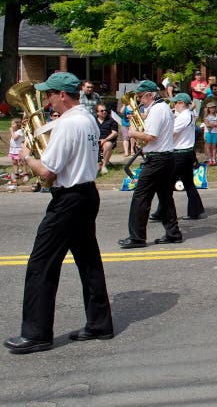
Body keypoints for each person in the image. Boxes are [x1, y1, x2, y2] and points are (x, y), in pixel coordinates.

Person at [3, 72, 113, 354]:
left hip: (69, 199)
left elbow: (47, 172)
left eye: (49, 94)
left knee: (41, 264)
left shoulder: (68, 124)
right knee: (88, 261)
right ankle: (99, 323)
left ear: (62, 95)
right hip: (87, 193)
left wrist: (27, 156)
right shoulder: (87, 117)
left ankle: (36, 333)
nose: (46, 100)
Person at [118, 80, 182, 248]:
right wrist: (142, 119)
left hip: (157, 159)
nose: (139, 100)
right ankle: (173, 233)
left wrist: (133, 133)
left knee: (140, 196)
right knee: (165, 197)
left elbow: (150, 136)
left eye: (141, 97)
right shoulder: (162, 108)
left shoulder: (157, 109)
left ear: (149, 95)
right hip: (165, 157)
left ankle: (137, 237)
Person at [151, 93, 206, 221]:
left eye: (176, 103)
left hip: (180, 154)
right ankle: (196, 211)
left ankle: (163, 212)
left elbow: (172, 134)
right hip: (186, 153)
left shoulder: (184, 116)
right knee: (188, 183)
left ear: (181, 103)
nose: (174, 105)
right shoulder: (188, 114)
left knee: (166, 183)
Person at [95, 104, 118, 175]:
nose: (104, 112)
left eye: (105, 110)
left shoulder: (112, 121)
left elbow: (114, 133)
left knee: (108, 145)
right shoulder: (93, 121)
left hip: (108, 141)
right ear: (97, 112)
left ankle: (104, 166)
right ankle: (97, 163)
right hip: (95, 141)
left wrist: (105, 140)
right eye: (102, 111)